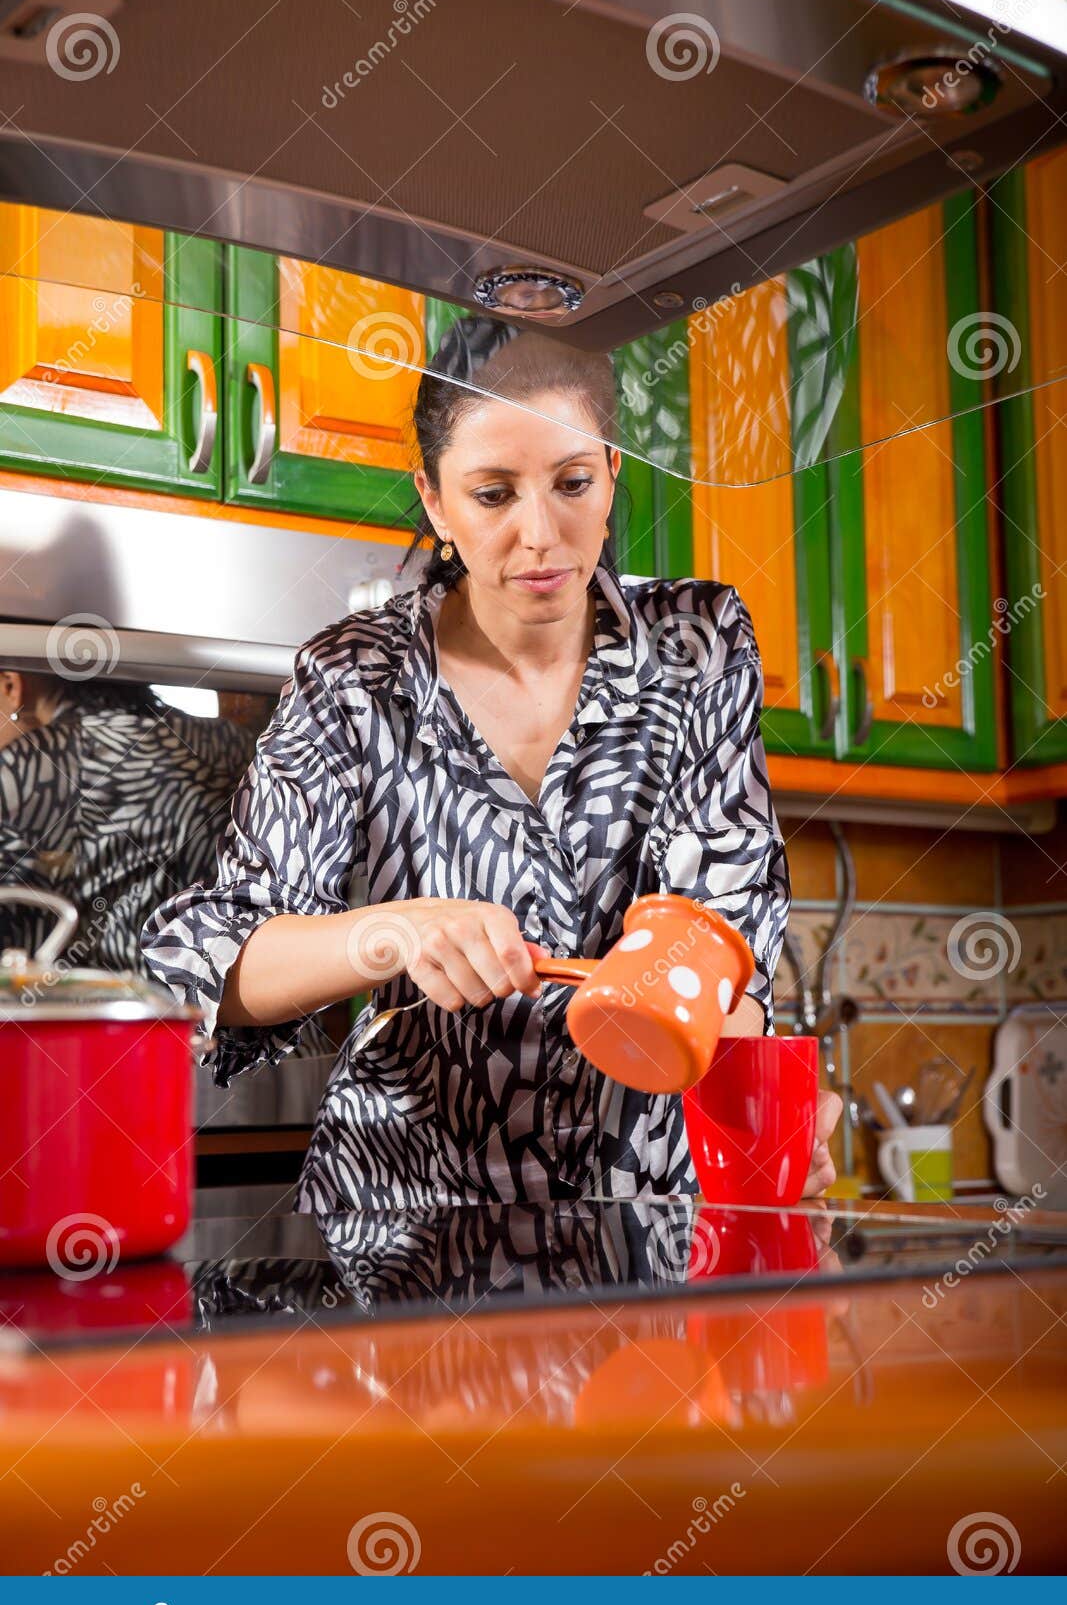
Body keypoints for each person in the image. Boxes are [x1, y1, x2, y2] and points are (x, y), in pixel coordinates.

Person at [142, 318, 842, 1212]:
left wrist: (756, 1123)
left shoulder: (696, 645)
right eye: (493, 494)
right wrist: (394, 932)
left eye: (572, 482)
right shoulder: (354, 675)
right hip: (405, 1223)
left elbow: (721, 949)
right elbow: (211, 957)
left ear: (611, 473)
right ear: (435, 501)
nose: (541, 535)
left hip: (645, 1216)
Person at [0, 665, 256, 971]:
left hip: (106, 1006)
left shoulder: (28, 763)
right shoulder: (232, 741)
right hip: (229, 997)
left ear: (10, 685)